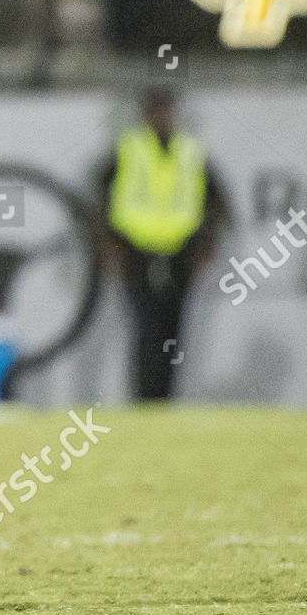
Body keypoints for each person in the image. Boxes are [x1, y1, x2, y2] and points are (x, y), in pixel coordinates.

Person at [97, 89, 229, 402]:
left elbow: (216, 202)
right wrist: (109, 246)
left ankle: (164, 398)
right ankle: (143, 396)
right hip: (136, 250)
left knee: (173, 327)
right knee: (145, 324)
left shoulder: (190, 152)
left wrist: (206, 246)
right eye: (155, 112)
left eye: (165, 111)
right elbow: (103, 202)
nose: (161, 118)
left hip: (180, 252)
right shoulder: (129, 150)